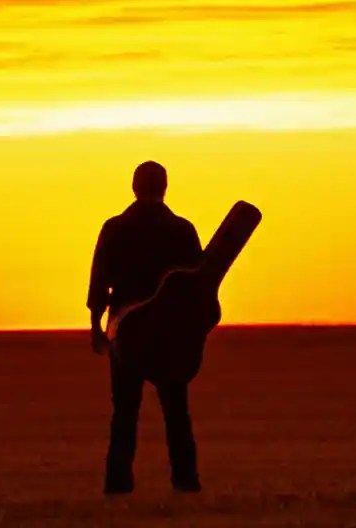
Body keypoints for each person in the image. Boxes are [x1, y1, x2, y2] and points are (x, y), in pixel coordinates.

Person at [88, 160, 203, 495]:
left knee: (124, 411)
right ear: (165, 187)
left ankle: (118, 484)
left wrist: (96, 328)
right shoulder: (182, 230)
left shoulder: (115, 228)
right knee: (176, 411)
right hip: (169, 333)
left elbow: (99, 283)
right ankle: (185, 481)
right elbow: (198, 286)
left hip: (127, 332)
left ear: (134, 187)